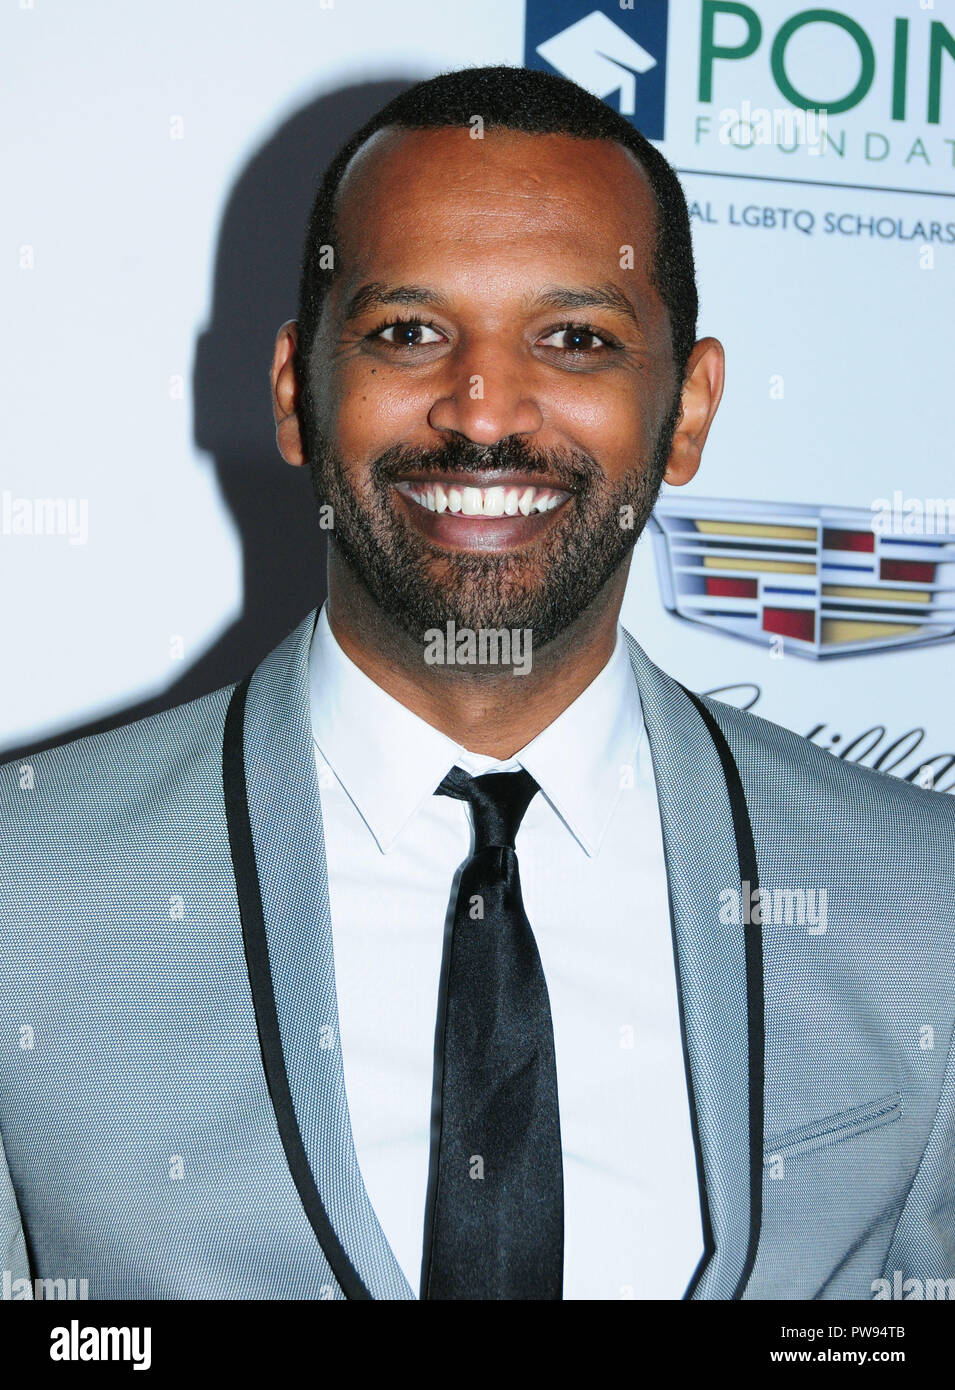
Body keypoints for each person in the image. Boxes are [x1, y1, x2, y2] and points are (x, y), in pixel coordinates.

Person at [2, 65, 953, 1303]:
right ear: (298, 391)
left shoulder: (920, 903)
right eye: (408, 331)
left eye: (576, 338)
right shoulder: (24, 887)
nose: (483, 410)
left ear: (688, 407)